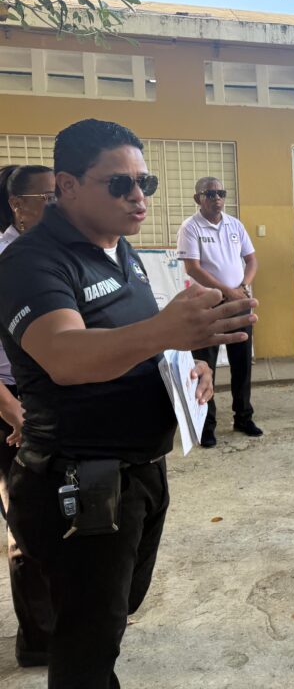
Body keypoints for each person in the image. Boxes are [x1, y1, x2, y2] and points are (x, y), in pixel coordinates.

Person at [0, 118, 255, 687]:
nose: (138, 196)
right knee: (86, 647)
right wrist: (166, 330)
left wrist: (187, 365)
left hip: (139, 471)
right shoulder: (32, 262)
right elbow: (64, 355)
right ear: (67, 186)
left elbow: (140, 338)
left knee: (113, 611)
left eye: (146, 182)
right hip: (81, 483)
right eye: (120, 184)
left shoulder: (121, 251)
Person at [0, 164, 56, 667]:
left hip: (52, 398)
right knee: (27, 523)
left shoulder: (60, 254)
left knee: (66, 514)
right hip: (12, 404)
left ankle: (69, 616)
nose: (59, 206)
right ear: (18, 205)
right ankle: (38, 639)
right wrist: (13, 410)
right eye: (48, 198)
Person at [177, 177, 261, 446]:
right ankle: (206, 425)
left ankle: (243, 417)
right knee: (204, 366)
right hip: (207, 305)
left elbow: (251, 259)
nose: (217, 198)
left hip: (238, 303)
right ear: (197, 198)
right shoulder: (190, 227)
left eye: (220, 193)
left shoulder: (235, 225)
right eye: (210, 194)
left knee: (242, 364)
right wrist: (227, 290)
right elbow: (193, 268)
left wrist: (243, 286)